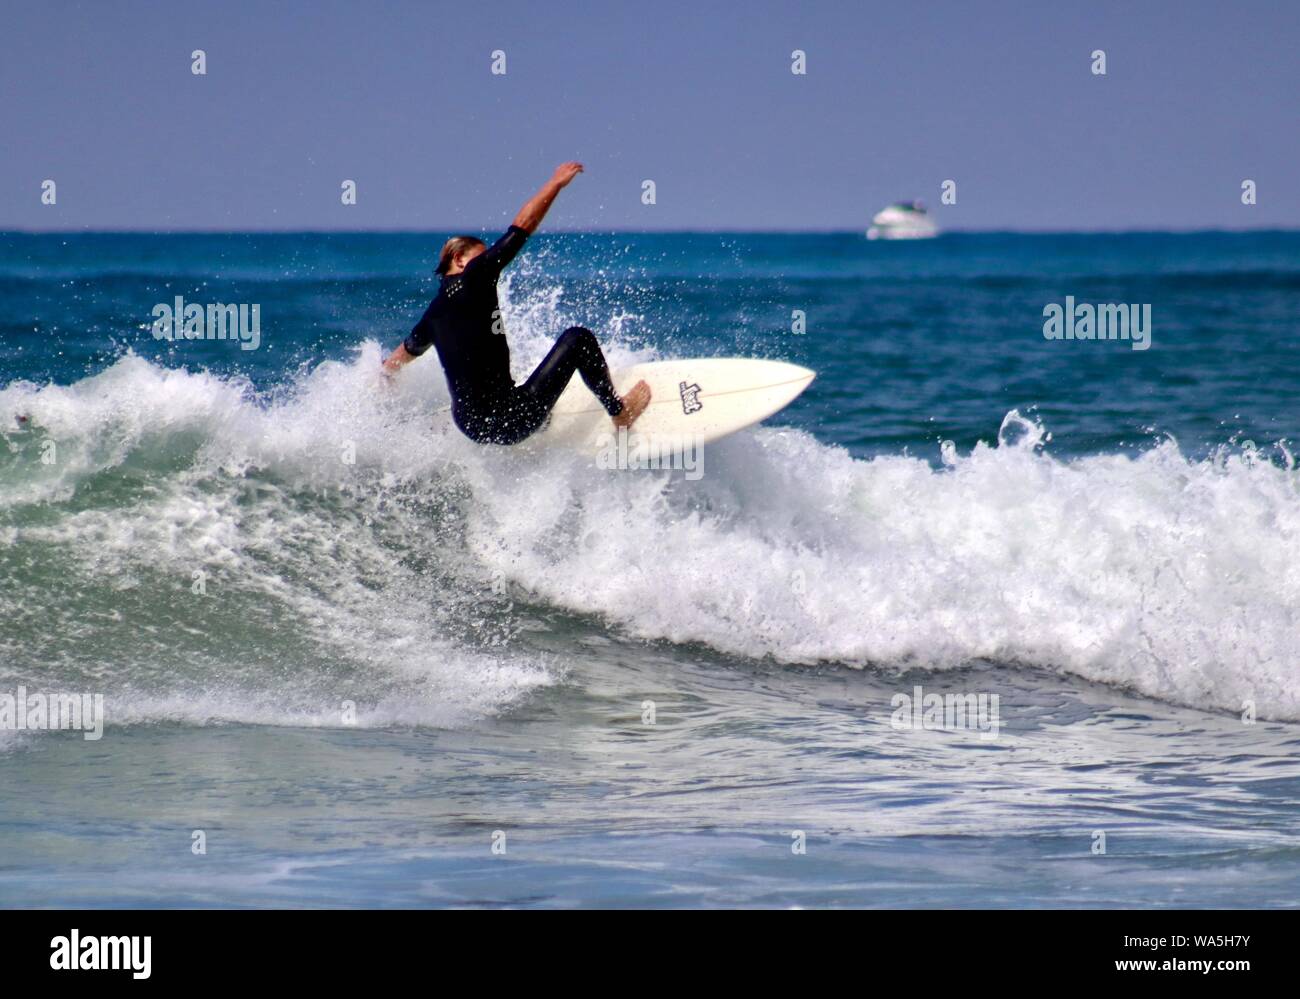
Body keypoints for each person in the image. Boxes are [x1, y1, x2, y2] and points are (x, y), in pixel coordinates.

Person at [382, 162, 651, 445]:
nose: (490, 264)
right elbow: (521, 228)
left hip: (472, 428)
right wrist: (555, 183)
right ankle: (621, 412)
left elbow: (404, 352)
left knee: (512, 394)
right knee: (578, 339)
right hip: (511, 419)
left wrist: (385, 371)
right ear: (459, 259)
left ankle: (541, 422)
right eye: (481, 256)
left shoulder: (432, 315)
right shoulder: (474, 275)